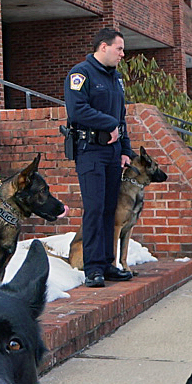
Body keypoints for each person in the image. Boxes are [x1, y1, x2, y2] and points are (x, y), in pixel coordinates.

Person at [64, 28, 135, 287]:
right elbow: (77, 110)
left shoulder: (115, 79)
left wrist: (126, 149)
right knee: (94, 209)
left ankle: (107, 263)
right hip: (90, 151)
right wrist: (109, 124)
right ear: (103, 47)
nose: (122, 54)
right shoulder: (81, 73)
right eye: (119, 49)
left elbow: (122, 116)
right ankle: (92, 267)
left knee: (108, 209)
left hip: (113, 153)